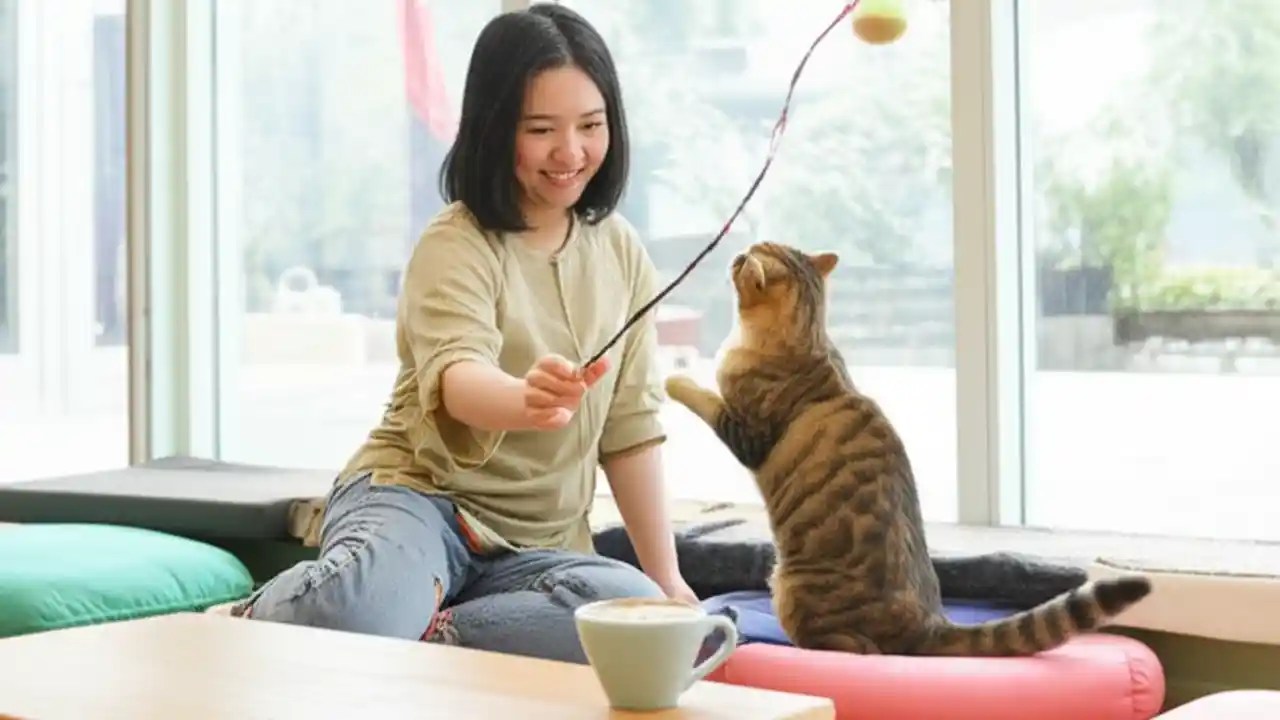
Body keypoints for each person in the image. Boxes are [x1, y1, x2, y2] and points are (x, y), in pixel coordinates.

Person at [234, 4, 697, 664]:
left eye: (590, 126)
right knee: (355, 608)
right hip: (420, 502)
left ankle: (435, 631)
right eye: (542, 129)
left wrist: (667, 584)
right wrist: (524, 400)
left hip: (539, 549)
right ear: (494, 128)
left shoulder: (621, 252)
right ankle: (247, 620)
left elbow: (631, 432)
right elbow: (458, 381)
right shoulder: (455, 244)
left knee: (624, 617)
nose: (571, 152)